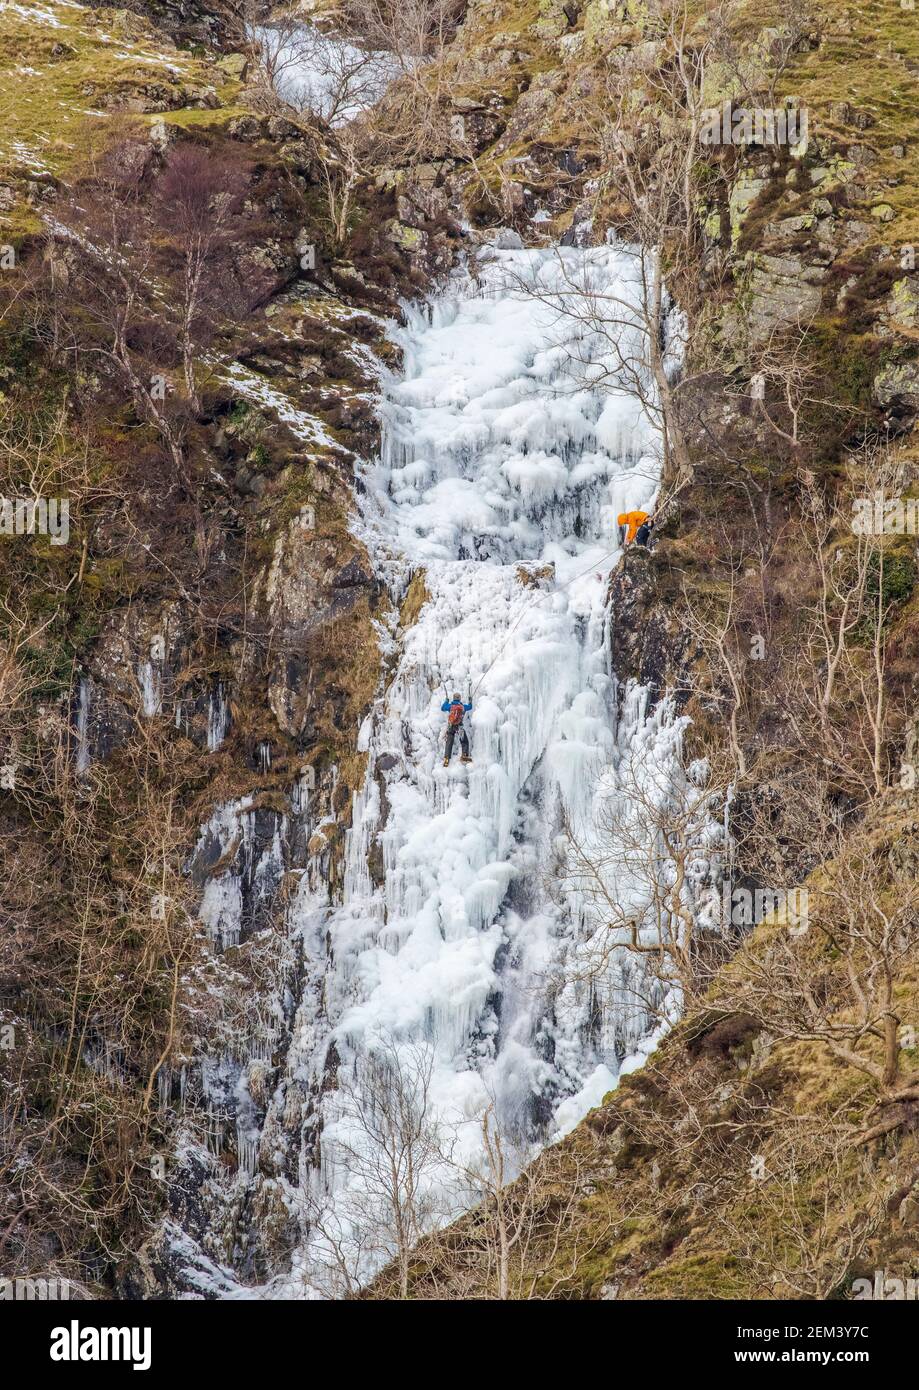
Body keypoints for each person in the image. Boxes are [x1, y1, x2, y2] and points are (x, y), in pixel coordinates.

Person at [441, 692, 472, 766]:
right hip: (459, 727)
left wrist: (446, 701)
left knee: (449, 741)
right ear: (460, 698)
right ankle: (464, 755)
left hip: (451, 726)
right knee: (464, 740)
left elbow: (442, 708)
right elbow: (470, 707)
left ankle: (446, 758)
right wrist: (470, 701)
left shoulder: (450, 706)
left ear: (453, 698)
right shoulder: (463, 706)